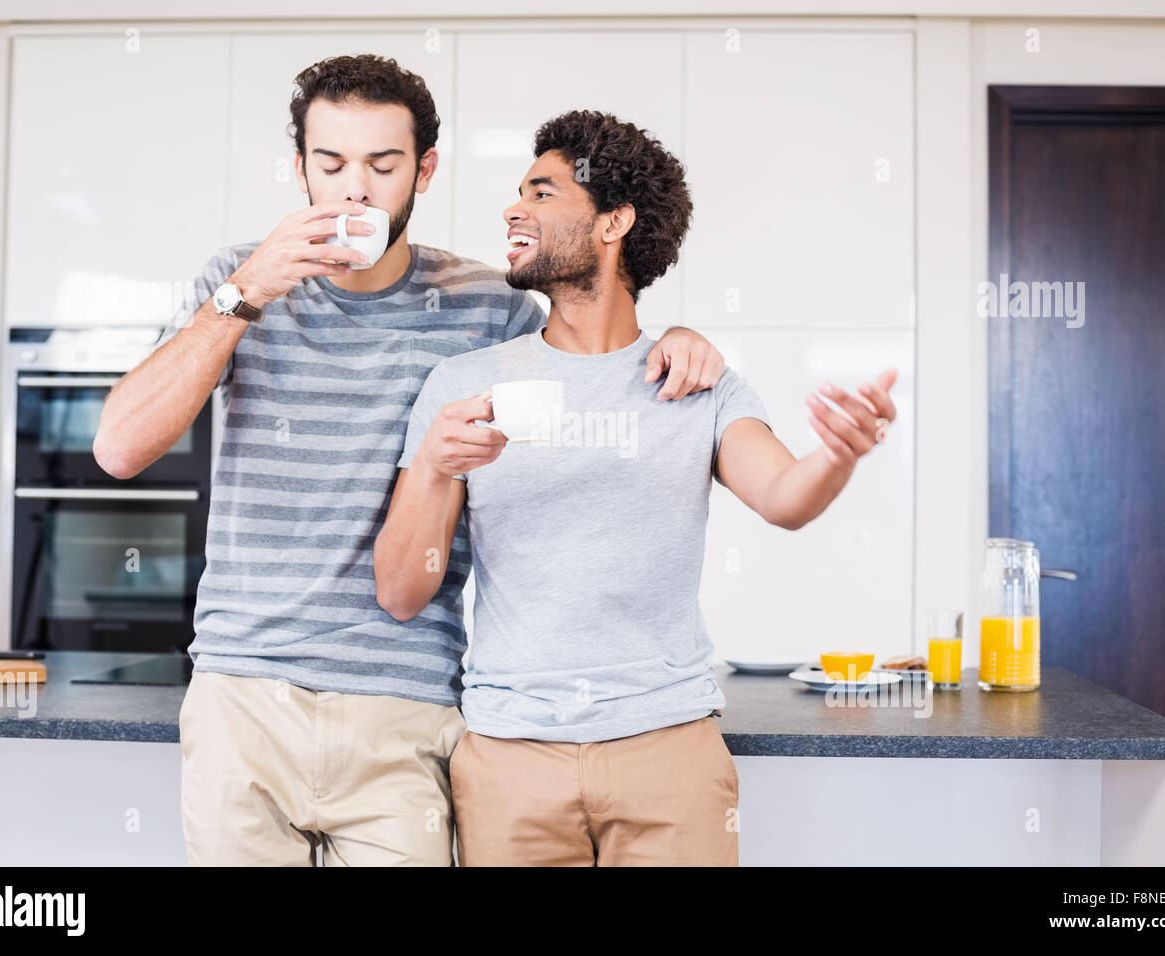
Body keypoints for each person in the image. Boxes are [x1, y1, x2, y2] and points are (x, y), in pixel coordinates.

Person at [92, 57, 725, 866]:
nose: (355, 191)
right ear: (300, 169)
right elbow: (119, 446)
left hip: (407, 703)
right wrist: (244, 294)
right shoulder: (236, 281)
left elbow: (592, 348)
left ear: (424, 169)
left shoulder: (487, 309)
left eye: (383, 165)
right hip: (241, 696)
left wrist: (677, 342)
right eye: (331, 165)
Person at [376, 109, 898, 866]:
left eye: (543, 193)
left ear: (614, 220)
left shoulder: (695, 381)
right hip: (510, 759)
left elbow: (785, 495)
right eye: (519, 191)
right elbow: (398, 592)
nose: (513, 209)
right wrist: (431, 463)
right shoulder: (465, 385)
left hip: (670, 753)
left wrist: (840, 453)